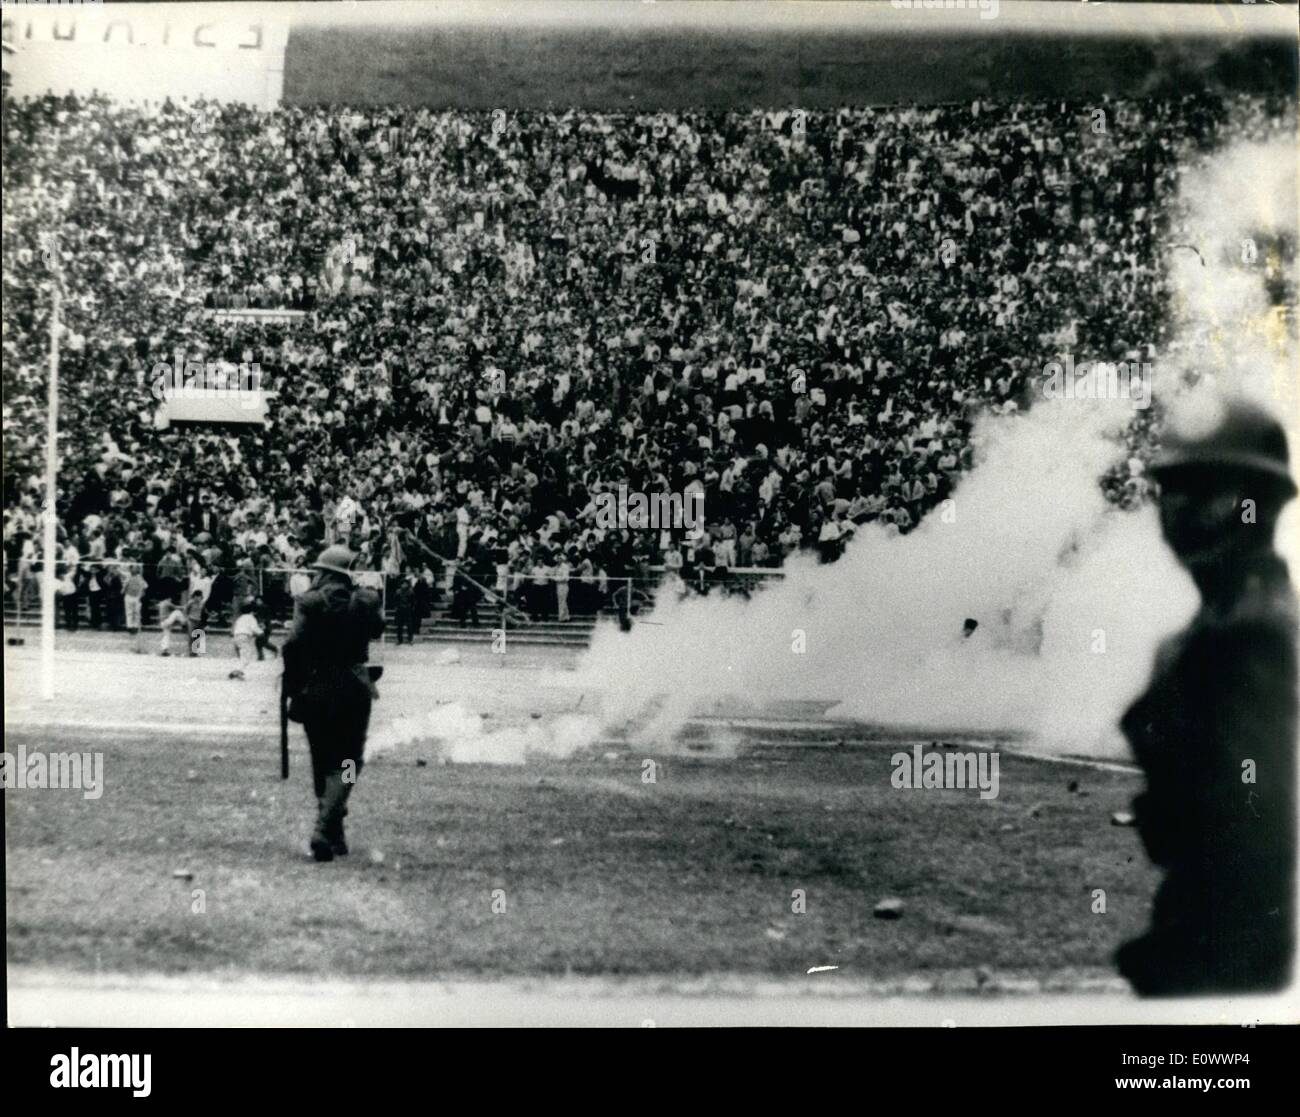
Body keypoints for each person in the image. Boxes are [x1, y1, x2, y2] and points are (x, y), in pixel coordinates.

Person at [1116, 398, 1297, 996]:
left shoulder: (1256, 639)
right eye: (1173, 490)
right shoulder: (1214, 630)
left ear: (1261, 506)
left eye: (1211, 491)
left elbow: (1256, 832)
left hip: (1229, 961)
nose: (1185, 512)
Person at [282, 544, 384, 862]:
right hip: (354, 690)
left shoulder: (309, 602)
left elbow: (292, 646)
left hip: (316, 690)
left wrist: (296, 684)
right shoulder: (366, 602)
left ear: (324, 573)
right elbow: (378, 631)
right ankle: (329, 829)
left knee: (323, 761)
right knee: (350, 763)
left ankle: (328, 828)